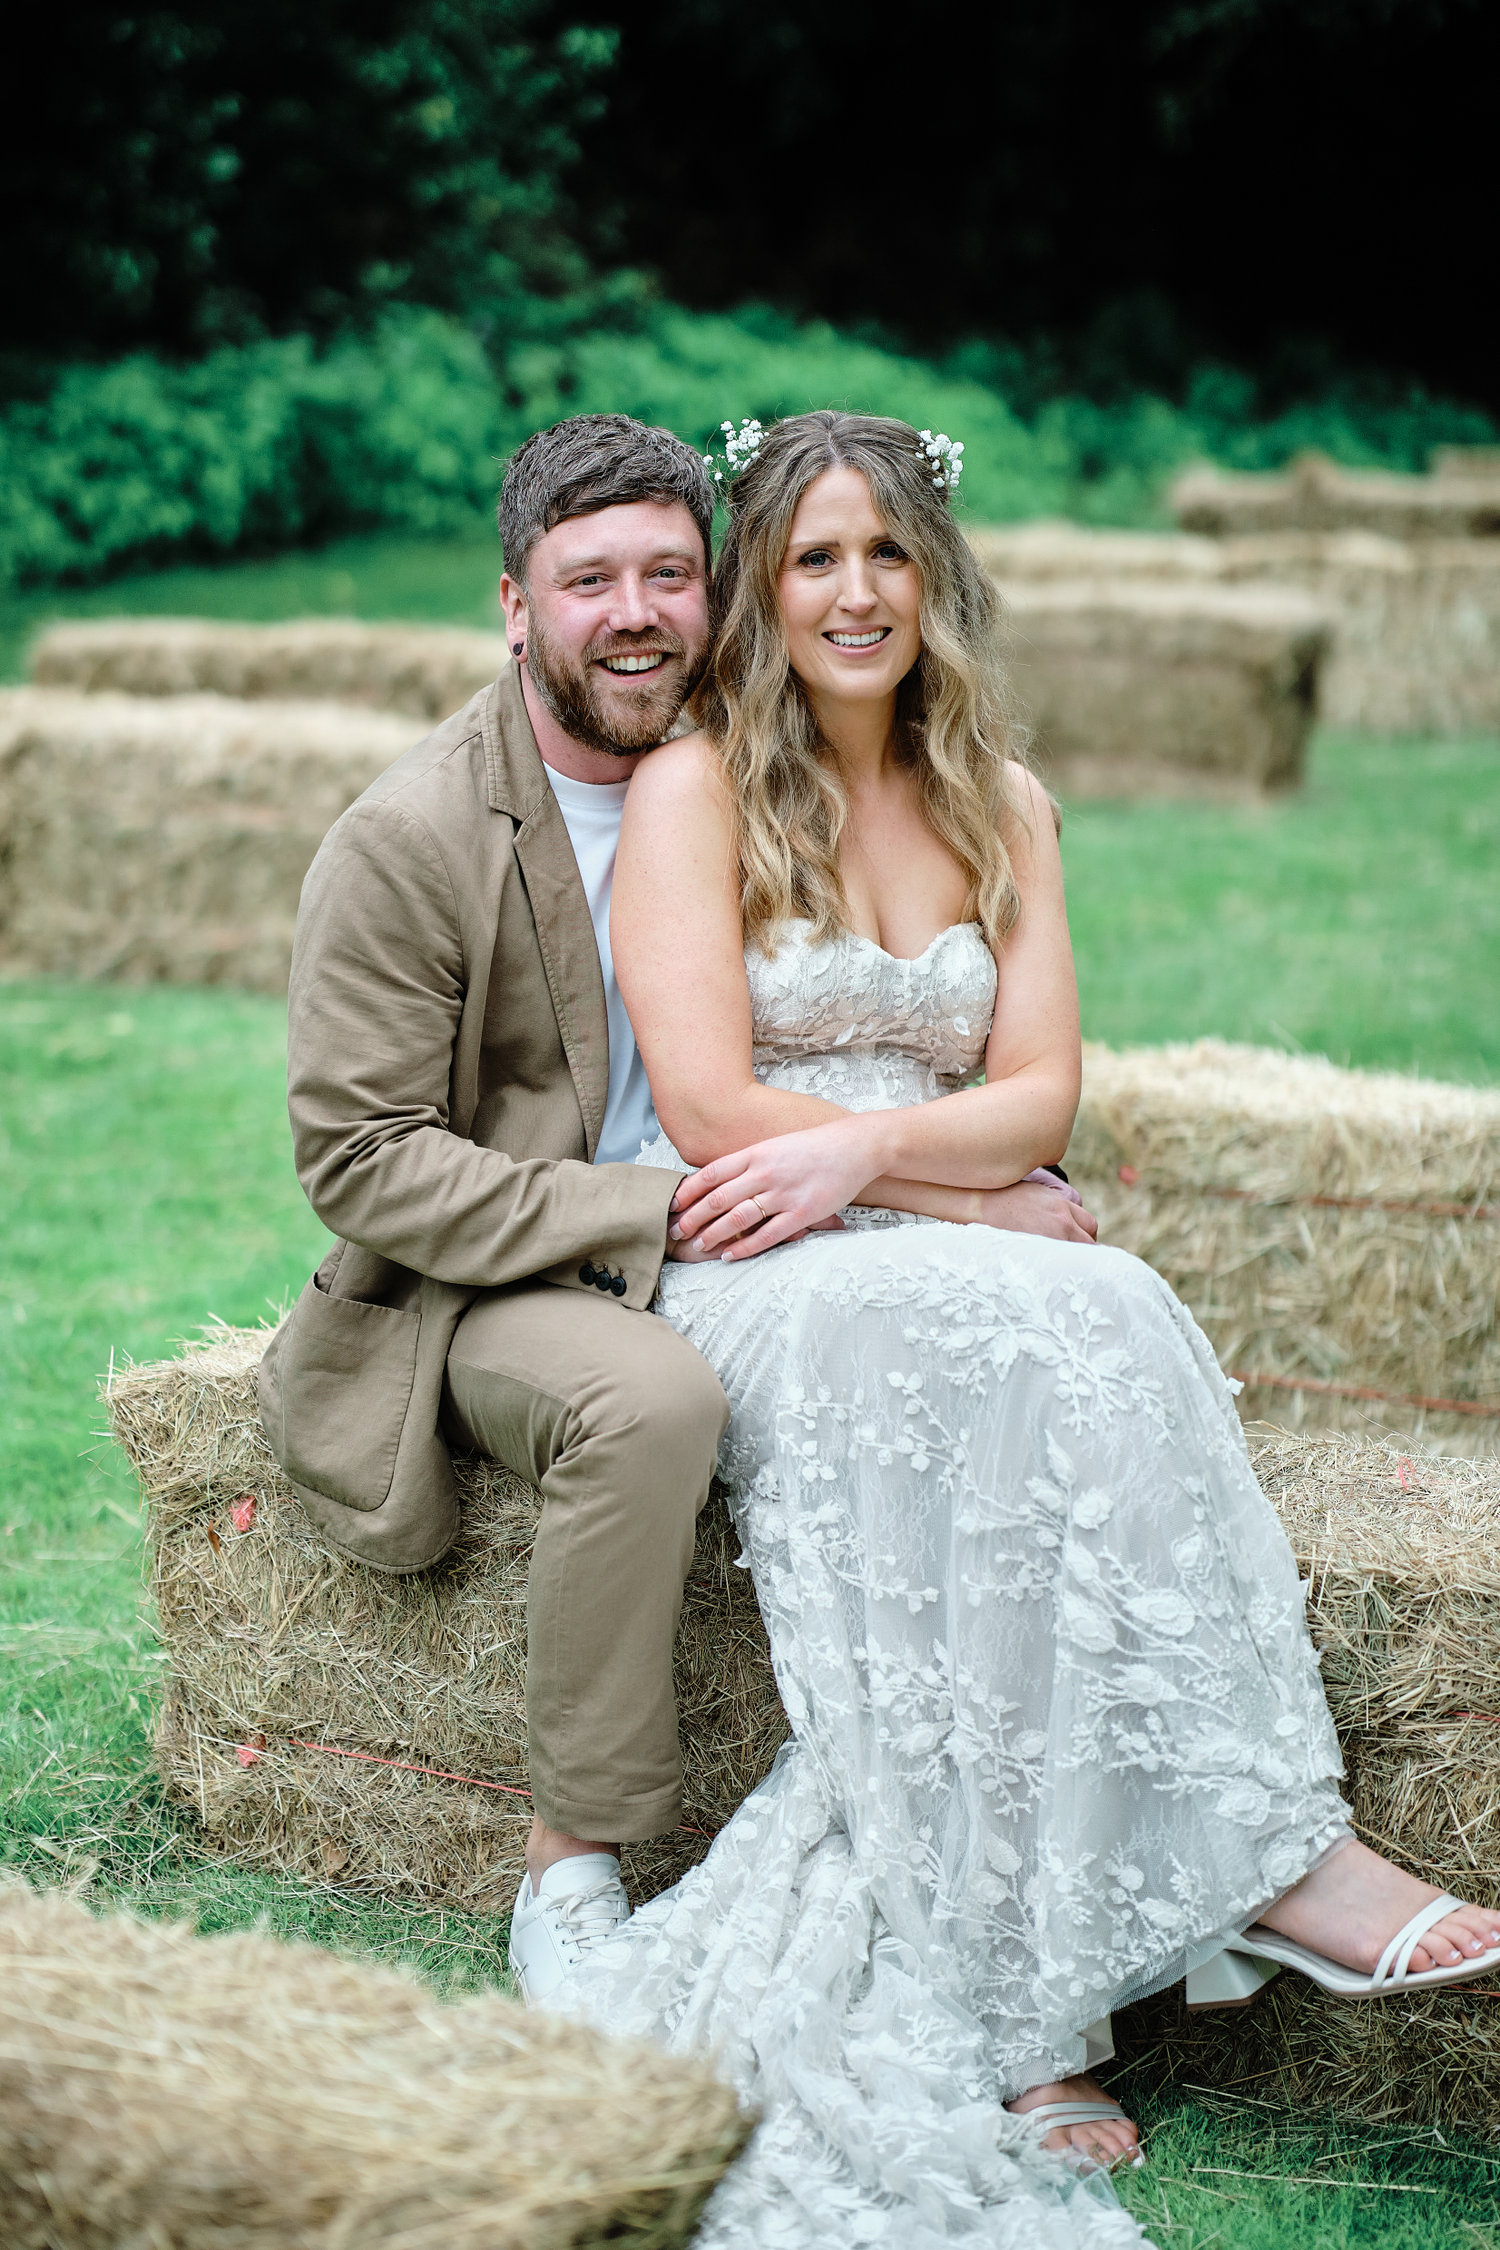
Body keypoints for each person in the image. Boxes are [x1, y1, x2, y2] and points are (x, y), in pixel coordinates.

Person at [544, 409, 1500, 2247]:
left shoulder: (1006, 800)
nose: (850, 589)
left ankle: (1241, 1882)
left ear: (934, 578)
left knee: (1108, 1298)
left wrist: (906, 1160)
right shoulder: (695, 791)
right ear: (762, 584)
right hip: (760, 1259)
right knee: (1007, 1316)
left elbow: (1041, 1093)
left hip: (909, 1221)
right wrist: (946, 1184)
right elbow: (720, 1103)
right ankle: (1043, 1995)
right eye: (812, 555)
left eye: (884, 552)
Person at [258, 413, 739, 2002]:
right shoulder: (408, 838)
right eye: (588, 577)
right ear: (514, 605)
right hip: (497, 1283)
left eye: (671, 571)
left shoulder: (762, 771)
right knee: (653, 1404)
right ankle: (571, 1859)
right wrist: (636, 1205)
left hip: (760, 1218)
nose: (637, 612)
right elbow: (363, 1157)